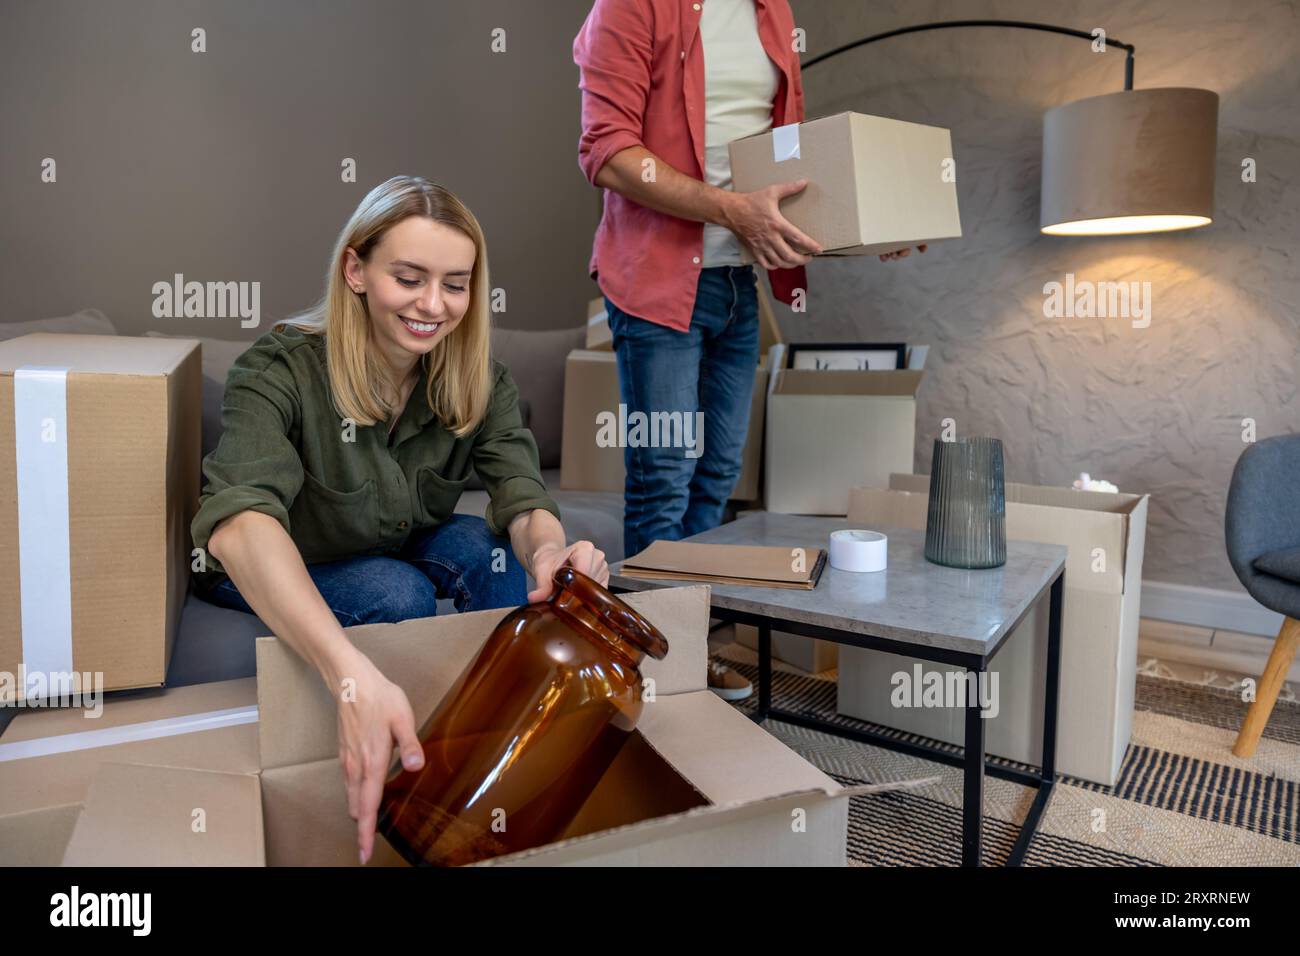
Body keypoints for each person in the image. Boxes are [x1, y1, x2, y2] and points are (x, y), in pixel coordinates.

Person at [190, 175, 608, 864]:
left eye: (454, 283)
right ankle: (421, 770)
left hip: (387, 538)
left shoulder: (477, 376)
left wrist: (549, 555)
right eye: (409, 278)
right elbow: (239, 524)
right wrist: (350, 677)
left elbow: (522, 497)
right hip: (270, 562)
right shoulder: (278, 369)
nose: (433, 305)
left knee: (485, 546)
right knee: (396, 591)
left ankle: (503, 747)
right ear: (355, 269)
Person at [573, 0, 922, 700]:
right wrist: (730, 209)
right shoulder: (630, 7)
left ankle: (692, 646)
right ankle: (650, 668)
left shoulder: (771, 11)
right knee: (665, 473)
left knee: (718, 473)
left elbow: (788, 160)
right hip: (656, 282)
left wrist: (867, 219)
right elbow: (606, 152)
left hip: (738, 280)